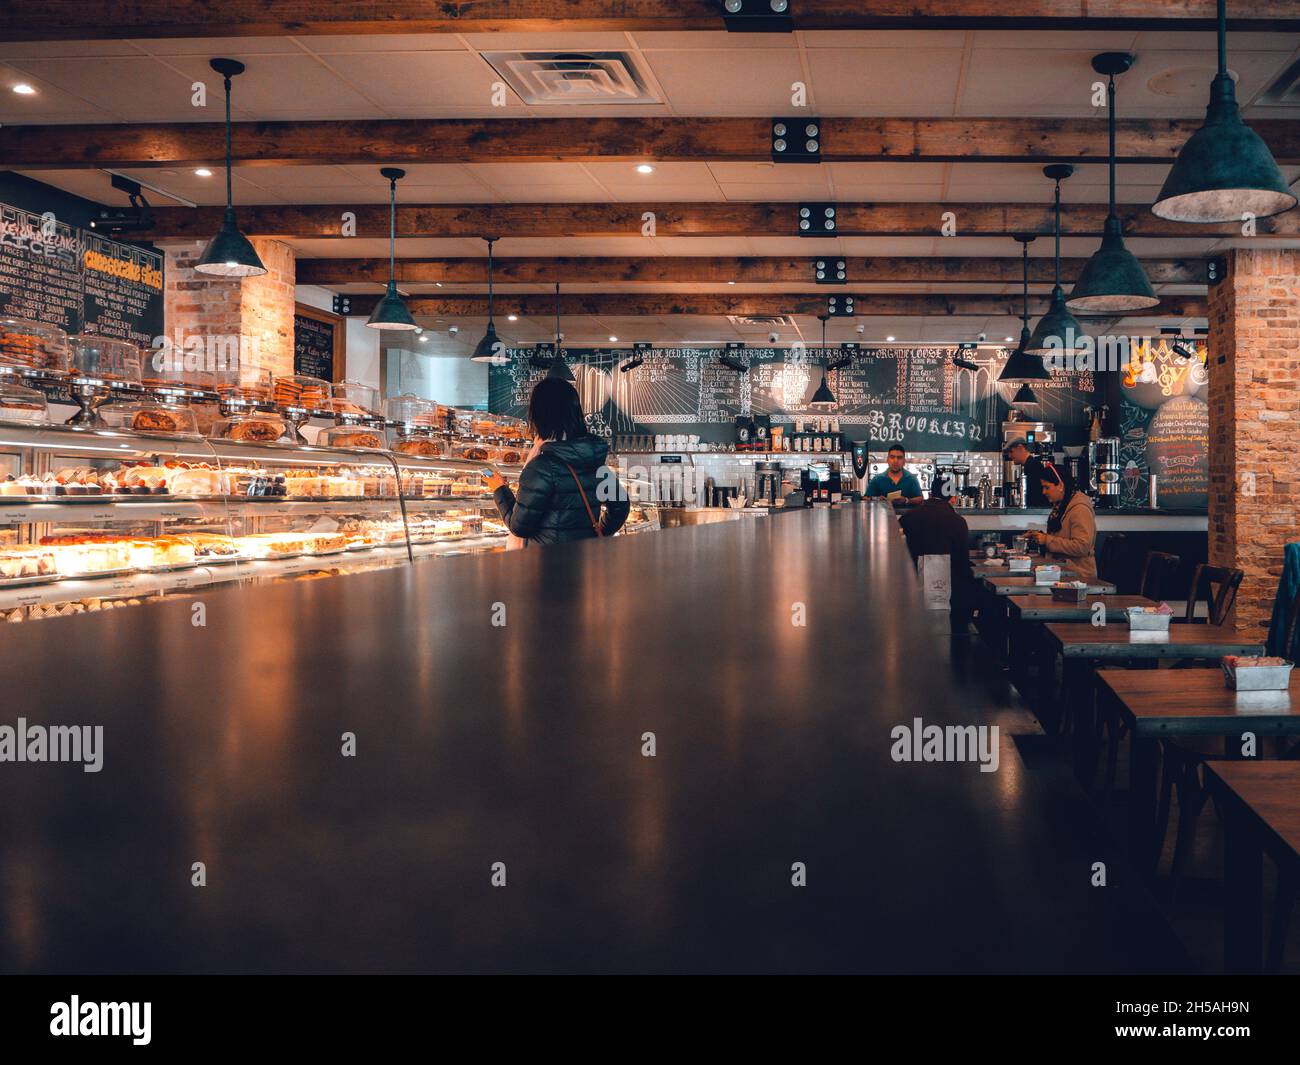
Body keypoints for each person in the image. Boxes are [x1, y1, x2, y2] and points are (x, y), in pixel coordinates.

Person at [485, 378, 629, 544]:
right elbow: (620, 507)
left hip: (548, 563)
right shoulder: (594, 462)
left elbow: (520, 527)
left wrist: (499, 489)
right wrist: (597, 532)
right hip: (586, 560)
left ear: (539, 414)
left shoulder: (541, 467)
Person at [899, 474, 974, 633]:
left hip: (911, 596)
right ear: (953, 498)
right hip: (952, 601)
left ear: (930, 495)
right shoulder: (958, 522)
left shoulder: (907, 519)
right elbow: (962, 565)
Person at [1026, 462, 1097, 581]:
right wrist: (1039, 537)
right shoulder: (1063, 504)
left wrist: (1047, 540)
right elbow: (1061, 535)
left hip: (1079, 577)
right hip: (1064, 572)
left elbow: (1082, 546)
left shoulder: (1079, 509)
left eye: (1047, 487)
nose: (1043, 492)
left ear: (1060, 485)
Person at [1005, 438, 1047, 508]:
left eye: (1011, 452)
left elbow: (1034, 495)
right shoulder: (1030, 464)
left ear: (1020, 448)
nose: (1009, 456)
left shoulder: (1033, 466)